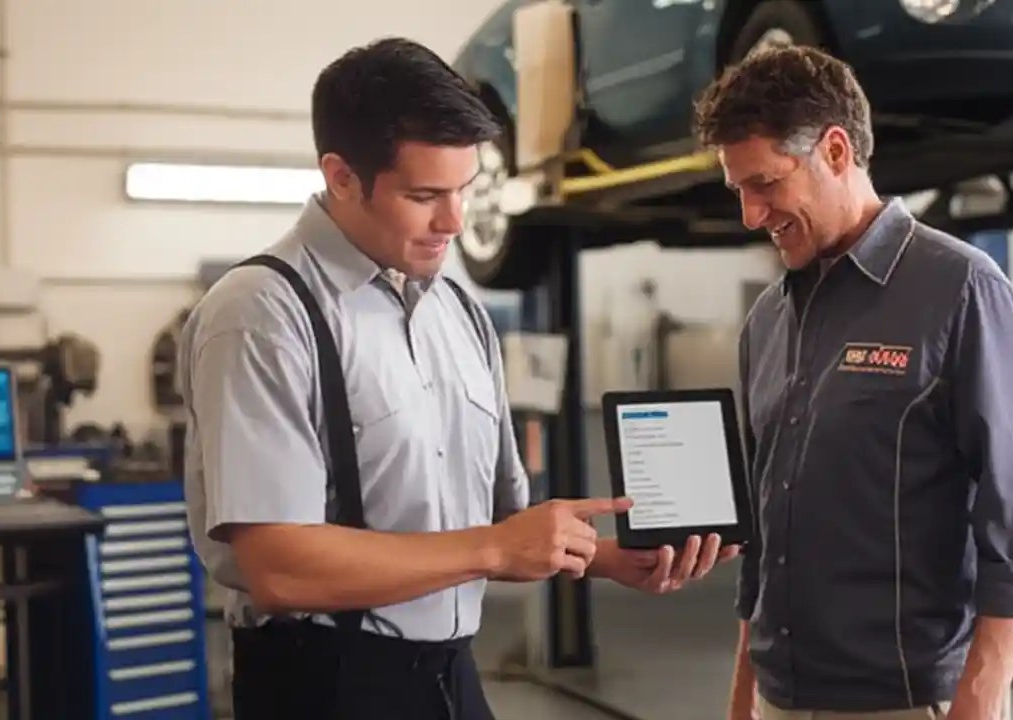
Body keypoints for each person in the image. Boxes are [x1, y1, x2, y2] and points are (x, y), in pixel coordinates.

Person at [178, 37, 737, 720]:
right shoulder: (261, 315)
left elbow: (492, 521)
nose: (454, 221)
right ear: (342, 175)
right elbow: (279, 567)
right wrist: (499, 547)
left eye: (465, 190)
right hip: (324, 688)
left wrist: (604, 557)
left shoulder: (458, 311)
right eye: (424, 195)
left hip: (449, 677)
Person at [692, 46, 1013, 720]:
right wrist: (743, 695)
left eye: (766, 184)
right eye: (738, 190)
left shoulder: (960, 289)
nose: (751, 214)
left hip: (907, 702)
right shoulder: (767, 320)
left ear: (836, 152)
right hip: (781, 696)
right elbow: (766, 540)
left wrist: (981, 697)